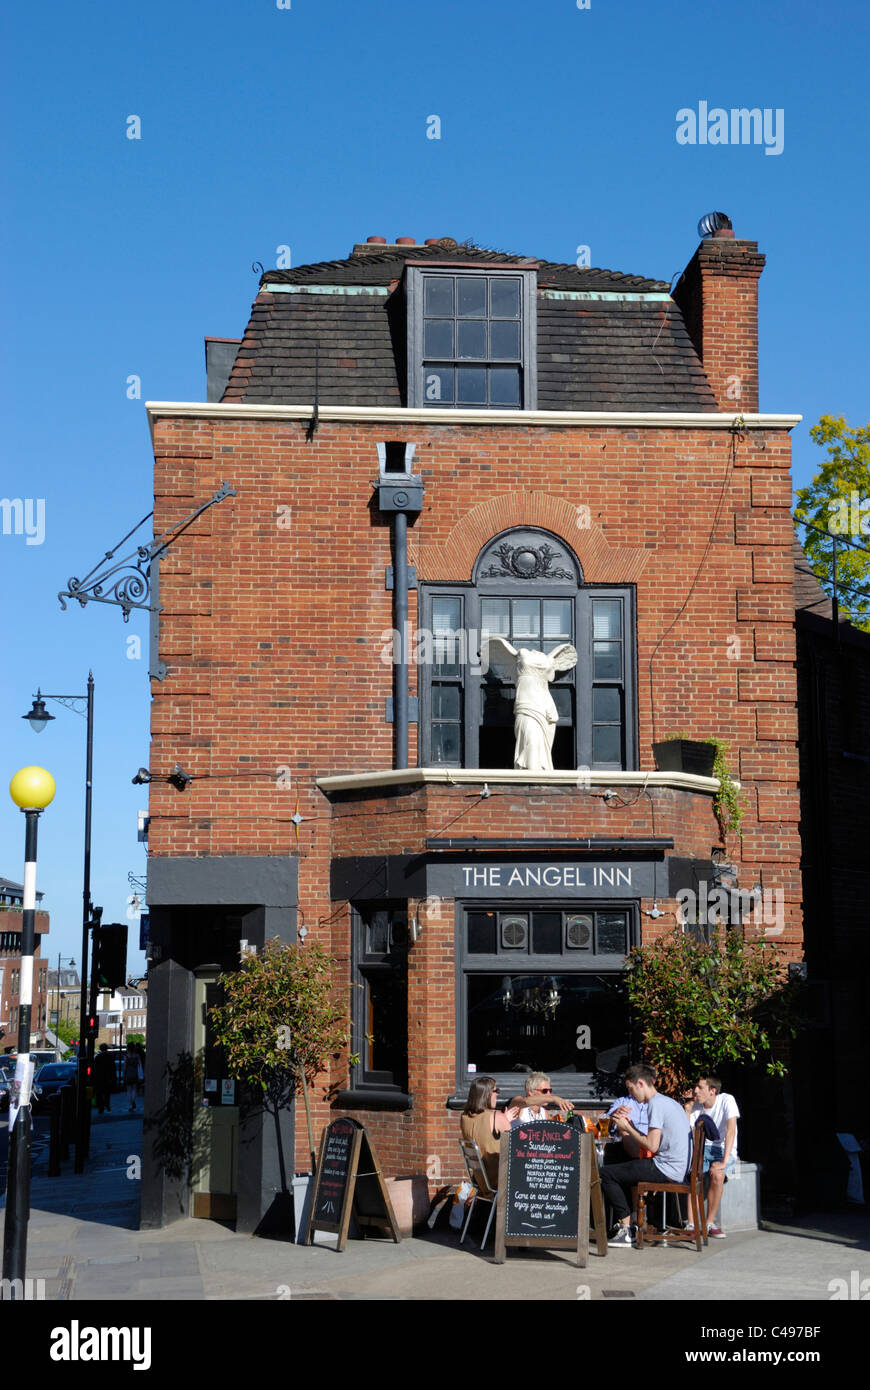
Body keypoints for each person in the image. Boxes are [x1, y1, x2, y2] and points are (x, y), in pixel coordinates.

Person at [600, 1062, 692, 1247]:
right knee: (622, 1169)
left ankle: (626, 1230)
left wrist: (626, 1128)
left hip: (666, 1168)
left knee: (605, 1174)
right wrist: (632, 1127)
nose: (631, 1094)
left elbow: (652, 1145)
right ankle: (629, 1225)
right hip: (677, 1167)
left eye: (631, 1088)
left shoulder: (655, 1104)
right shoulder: (669, 1102)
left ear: (641, 1083)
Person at [689, 1075, 740, 1238]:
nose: (695, 1090)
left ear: (712, 1091)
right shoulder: (695, 1106)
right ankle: (691, 1225)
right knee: (694, 1175)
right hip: (702, 1148)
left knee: (717, 1175)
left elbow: (731, 1130)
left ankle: (709, 1223)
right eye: (695, 1087)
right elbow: (690, 1134)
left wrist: (724, 1162)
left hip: (723, 1149)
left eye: (700, 1087)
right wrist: (686, 1109)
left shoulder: (727, 1100)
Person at [460, 1077, 520, 1187]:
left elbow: (482, 1133)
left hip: (481, 1180)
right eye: (496, 1091)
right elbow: (517, 1149)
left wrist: (504, 1119)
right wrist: (504, 1119)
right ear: (488, 1095)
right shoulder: (497, 1117)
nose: (497, 1094)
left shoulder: (464, 1117)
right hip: (500, 1181)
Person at [92, 1043, 115, 1114]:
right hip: (108, 1078)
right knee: (107, 1093)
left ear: (100, 1049)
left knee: (99, 1094)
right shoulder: (110, 1056)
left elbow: (95, 1068)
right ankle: (107, 1104)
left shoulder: (98, 1057)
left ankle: (101, 1107)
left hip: (99, 1078)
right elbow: (113, 1068)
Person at [124, 1043, 144, 1112]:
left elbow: (125, 1067)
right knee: (134, 1089)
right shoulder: (137, 1056)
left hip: (128, 1075)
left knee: (128, 1090)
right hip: (135, 1074)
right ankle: (133, 1101)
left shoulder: (126, 1056)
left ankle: (132, 1103)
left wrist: (124, 1075)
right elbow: (140, 1065)